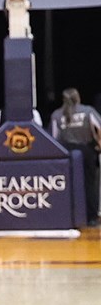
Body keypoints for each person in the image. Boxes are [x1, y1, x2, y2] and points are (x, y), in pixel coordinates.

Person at [50, 87, 101, 221]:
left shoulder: (56, 115)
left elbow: (53, 139)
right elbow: (99, 128)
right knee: (89, 184)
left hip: (66, 153)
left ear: (63, 99)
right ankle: (91, 217)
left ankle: (68, 216)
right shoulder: (88, 111)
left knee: (67, 185)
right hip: (86, 152)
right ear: (78, 97)